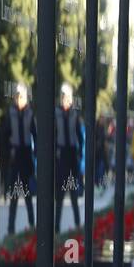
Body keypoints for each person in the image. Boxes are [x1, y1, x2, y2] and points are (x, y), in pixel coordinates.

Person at [0, 82, 37, 235]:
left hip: (26, 156)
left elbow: (36, 135)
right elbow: (3, 137)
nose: (19, 99)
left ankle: (32, 225)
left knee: (27, 194)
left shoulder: (30, 114)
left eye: (22, 97)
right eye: (17, 97)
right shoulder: (9, 114)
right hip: (15, 158)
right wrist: (8, 152)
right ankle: (10, 229)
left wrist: (35, 155)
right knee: (14, 195)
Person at [55, 82, 85, 231]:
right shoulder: (55, 113)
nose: (65, 99)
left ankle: (78, 224)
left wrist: (79, 154)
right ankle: (56, 228)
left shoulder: (75, 114)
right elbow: (52, 135)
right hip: (61, 156)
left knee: (73, 193)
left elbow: (80, 136)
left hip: (72, 155)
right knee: (59, 195)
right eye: (63, 97)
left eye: (68, 97)